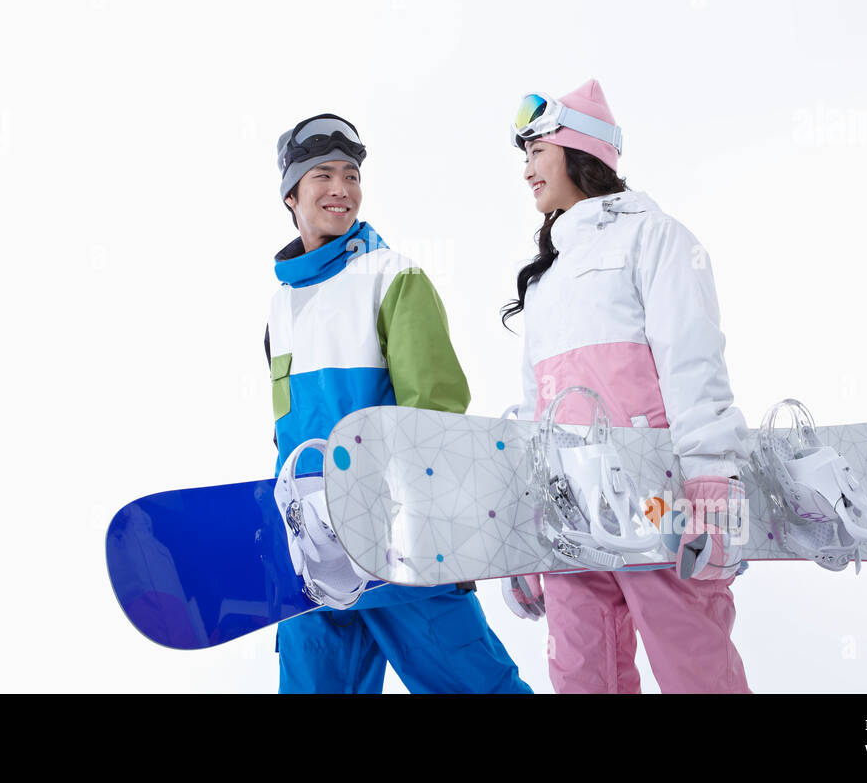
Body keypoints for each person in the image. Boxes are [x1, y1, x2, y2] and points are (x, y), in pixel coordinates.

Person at [267, 112, 531, 694]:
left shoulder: (393, 278)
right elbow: (286, 432)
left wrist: (445, 541)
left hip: (397, 546)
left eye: (351, 176)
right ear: (292, 194)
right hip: (316, 559)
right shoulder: (280, 307)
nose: (341, 190)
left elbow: (434, 417)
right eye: (323, 176)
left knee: (476, 686)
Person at [500, 80, 751, 694]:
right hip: (570, 511)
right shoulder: (545, 280)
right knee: (582, 677)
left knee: (695, 669)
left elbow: (692, 364)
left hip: (656, 501)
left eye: (536, 151)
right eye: (524, 156)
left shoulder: (655, 237)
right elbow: (537, 411)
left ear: (577, 151)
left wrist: (712, 482)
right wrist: (525, 532)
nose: (527, 169)